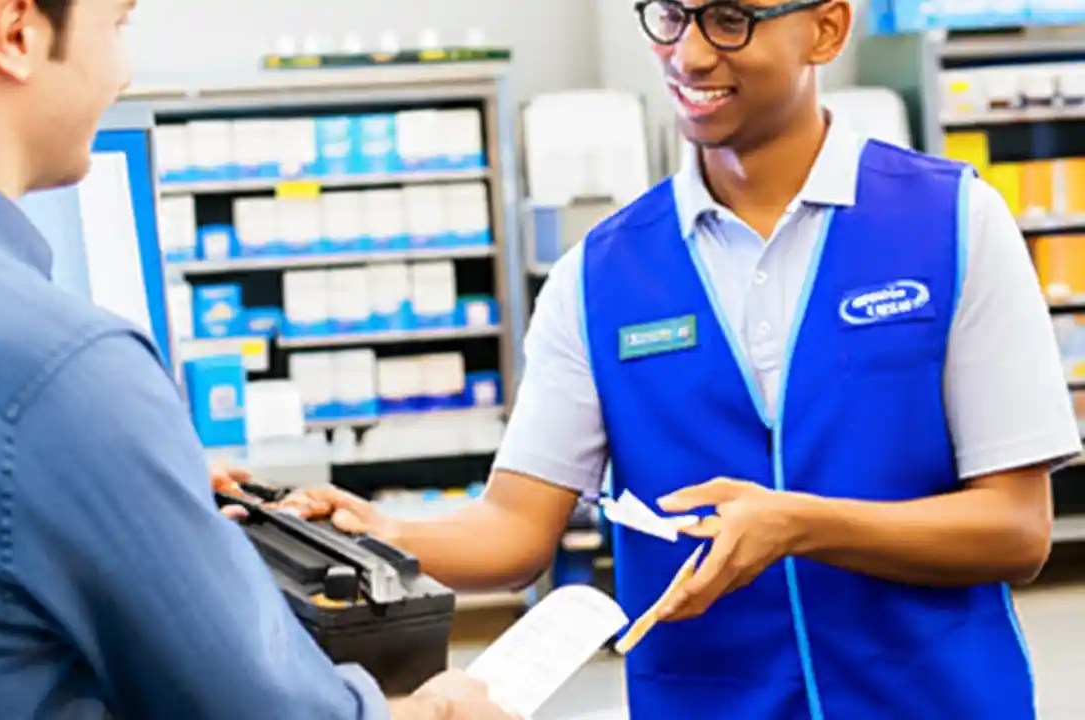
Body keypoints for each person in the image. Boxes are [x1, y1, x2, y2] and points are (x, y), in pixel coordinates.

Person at [279, 0, 1082, 718]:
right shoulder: (597, 277)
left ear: (827, 28)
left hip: (934, 699)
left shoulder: (951, 222)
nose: (690, 55)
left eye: (730, 18)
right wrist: (378, 532)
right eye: (670, 14)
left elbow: (1015, 530)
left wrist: (800, 524)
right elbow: (517, 532)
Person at [0, 2, 519, 719]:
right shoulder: (62, 375)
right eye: (116, 26)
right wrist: (438, 711)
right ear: (17, 31)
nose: (123, 72)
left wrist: (127, 482)